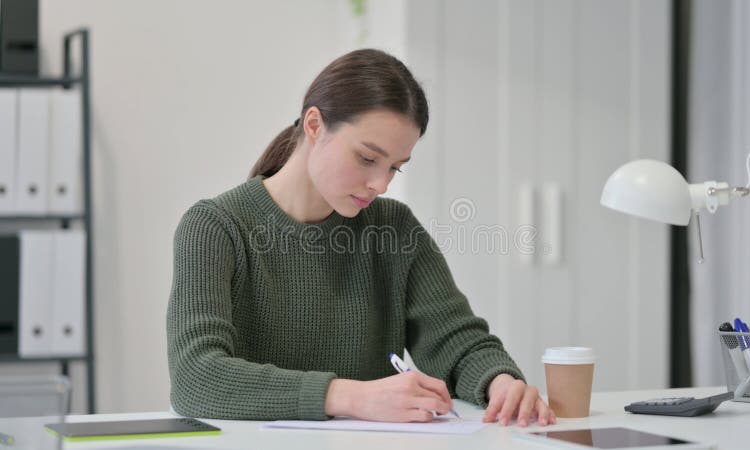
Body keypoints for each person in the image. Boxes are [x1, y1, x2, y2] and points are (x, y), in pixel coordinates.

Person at [166, 48, 556, 427]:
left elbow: (456, 340)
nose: (380, 184)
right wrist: (351, 397)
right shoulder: (215, 227)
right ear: (314, 126)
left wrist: (499, 382)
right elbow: (196, 376)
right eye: (368, 158)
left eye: (395, 168)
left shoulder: (395, 230)